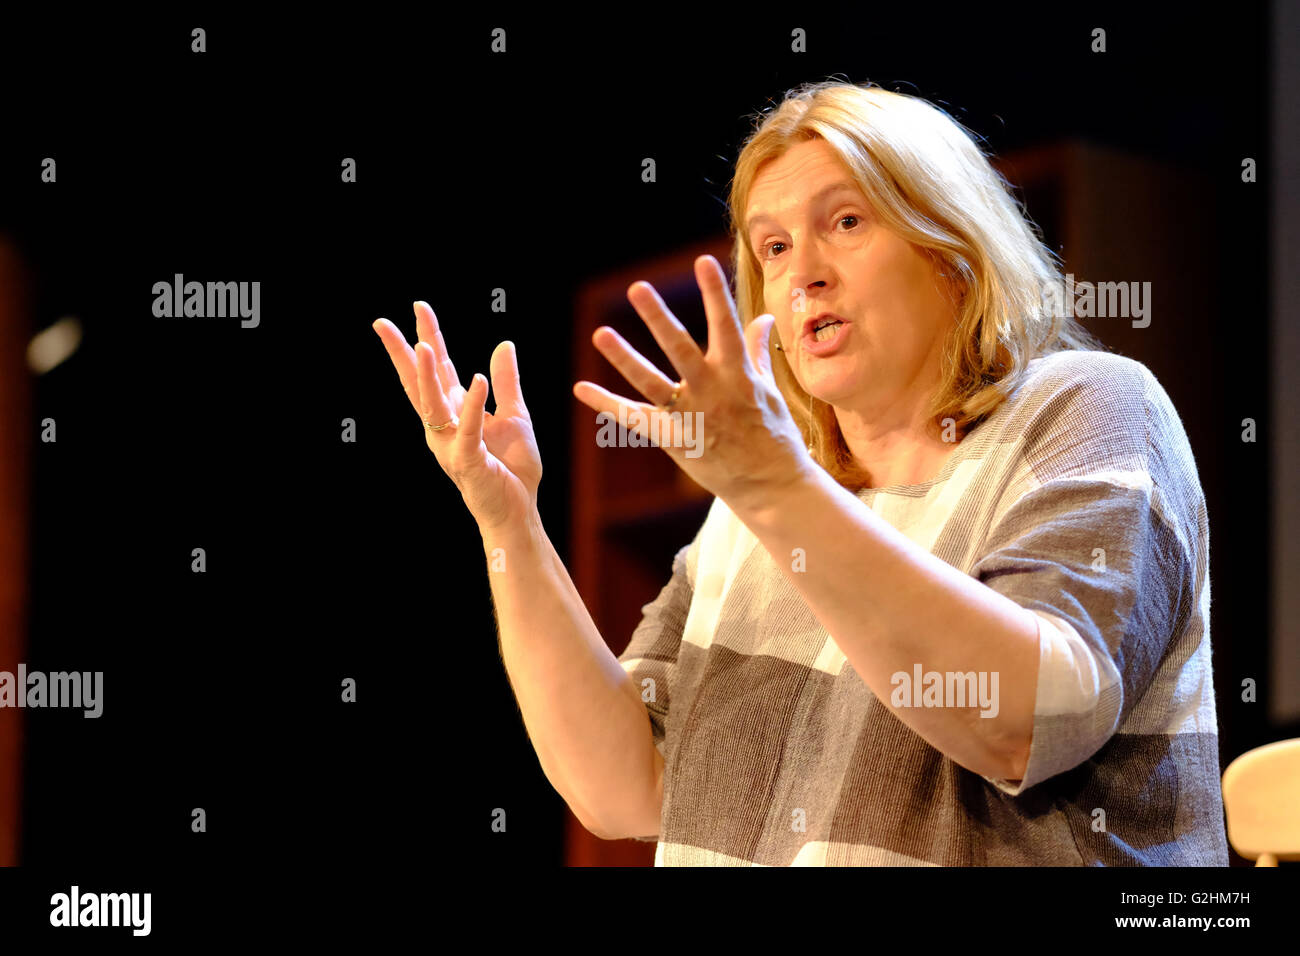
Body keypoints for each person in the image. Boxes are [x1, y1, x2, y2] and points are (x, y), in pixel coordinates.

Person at [372, 80, 1228, 866]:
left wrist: (775, 489)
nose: (804, 272)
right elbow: (620, 786)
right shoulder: (757, 510)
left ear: (953, 247)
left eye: (846, 221)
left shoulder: (1087, 410)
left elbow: (1027, 720)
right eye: (772, 248)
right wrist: (507, 520)